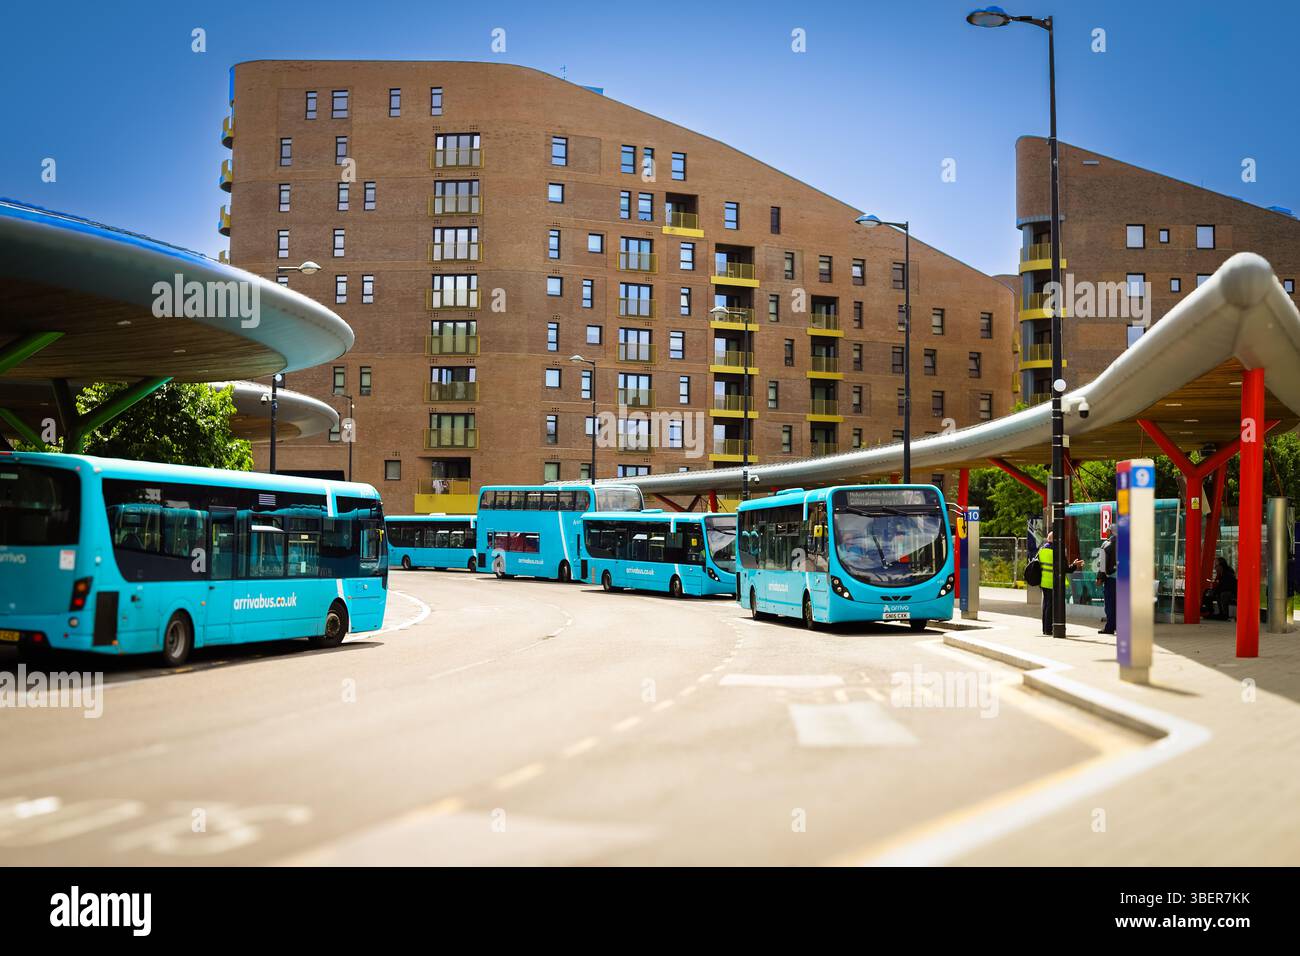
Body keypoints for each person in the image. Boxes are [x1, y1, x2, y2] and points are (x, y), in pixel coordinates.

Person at [1038, 531, 1084, 637]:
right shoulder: (1057, 551)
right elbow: (1065, 569)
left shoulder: (1042, 550)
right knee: (1052, 606)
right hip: (1054, 582)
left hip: (1044, 581)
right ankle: (1050, 629)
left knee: (1046, 605)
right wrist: (1074, 565)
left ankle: (1046, 629)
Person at [1204, 556, 1237, 620]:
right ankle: (1209, 611)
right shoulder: (1219, 574)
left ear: (1221, 566)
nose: (1215, 568)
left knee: (1222, 595)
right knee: (1207, 591)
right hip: (1222, 590)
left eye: (1216, 566)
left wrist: (1215, 591)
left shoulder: (1228, 574)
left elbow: (1226, 587)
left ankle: (1224, 614)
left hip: (1230, 592)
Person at [1098, 532, 1117, 635]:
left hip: (1111, 579)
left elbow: (1102, 564)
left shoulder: (1106, 544)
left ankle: (1110, 627)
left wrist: (1099, 578)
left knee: (1110, 605)